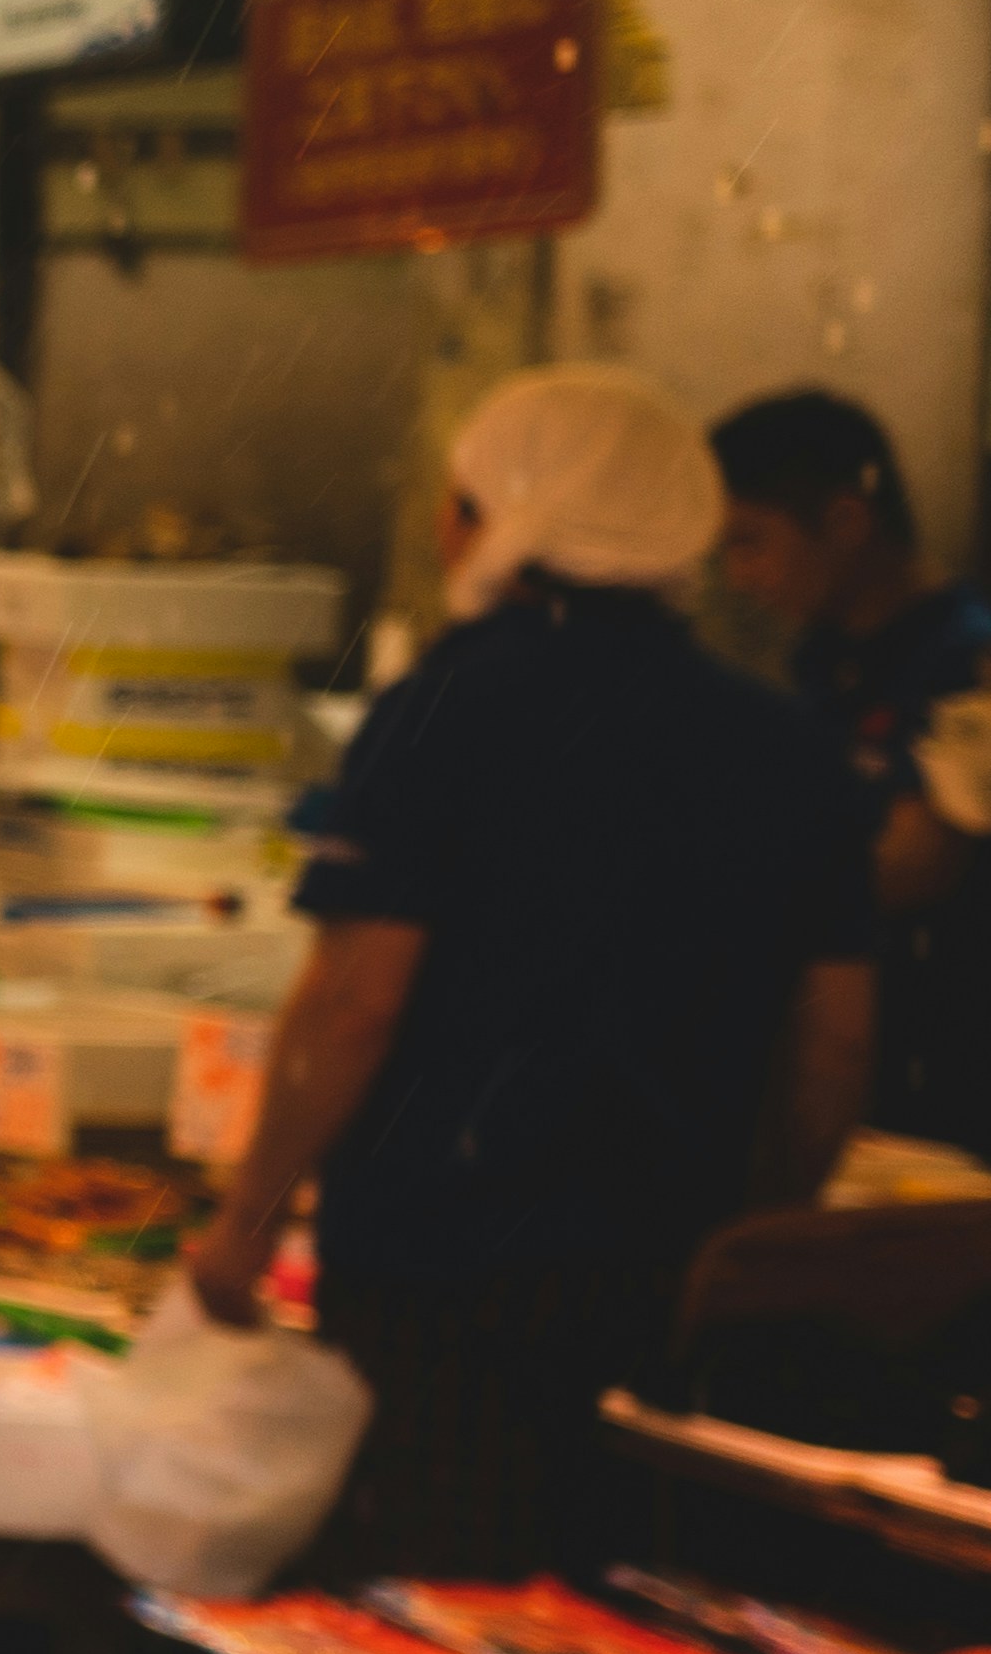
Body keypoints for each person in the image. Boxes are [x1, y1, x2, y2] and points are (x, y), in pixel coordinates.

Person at [183, 366, 875, 1574]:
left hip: (439, 1269)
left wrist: (245, 1223)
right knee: (611, 1614)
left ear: (498, 515)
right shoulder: (783, 743)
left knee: (435, 1625)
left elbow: (355, 999)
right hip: (666, 1275)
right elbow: (836, 1040)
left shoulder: (443, 709)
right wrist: (761, 1230)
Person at [707, 387, 991, 1168]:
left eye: (750, 542)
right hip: (880, 1072)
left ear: (846, 522)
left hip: (983, 1088)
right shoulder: (825, 659)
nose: (737, 576)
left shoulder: (978, 668)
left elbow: (915, 861)